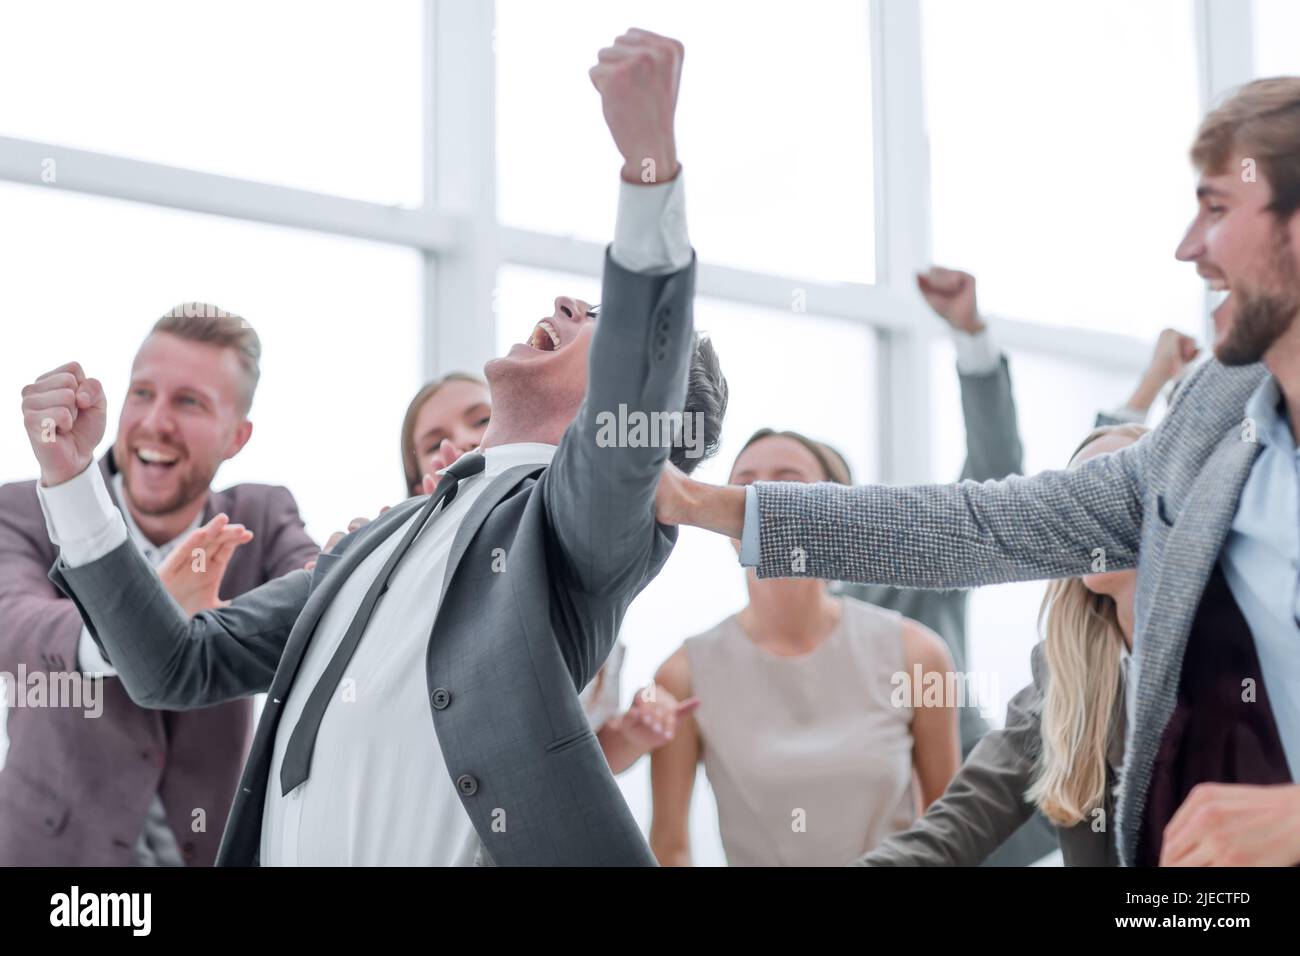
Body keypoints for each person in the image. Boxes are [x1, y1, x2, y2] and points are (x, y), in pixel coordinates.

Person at [28, 28, 729, 867]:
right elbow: (175, 665)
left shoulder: (579, 529)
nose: (568, 303)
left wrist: (648, 167)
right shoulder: (374, 543)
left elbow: (636, 398)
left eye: (601, 319)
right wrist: (72, 480)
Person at [654, 77, 1300, 866]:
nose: (1187, 247)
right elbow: (987, 521)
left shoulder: (905, 643)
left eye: (1219, 209)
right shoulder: (1209, 423)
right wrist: (697, 502)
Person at [0, 306, 318, 866]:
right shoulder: (25, 509)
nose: (156, 422)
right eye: (142, 393)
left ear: (236, 436)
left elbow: (324, 601)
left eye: (189, 402)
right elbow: (15, 633)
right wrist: (148, 613)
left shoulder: (261, 518)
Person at [650, 428, 960, 866]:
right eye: (744, 483)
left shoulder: (919, 657)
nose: (760, 497)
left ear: (836, 509)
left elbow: (949, 834)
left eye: (788, 482)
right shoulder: (682, 674)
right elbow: (670, 846)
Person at [857, 424, 1147, 867]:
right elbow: (954, 826)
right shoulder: (1065, 676)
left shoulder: (1240, 647)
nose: (1088, 512)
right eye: (1075, 500)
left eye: (1106, 483)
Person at [398, 375, 696, 774]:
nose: (463, 441)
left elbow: (583, 762)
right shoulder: (402, 592)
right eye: (435, 444)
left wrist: (632, 734)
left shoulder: (587, 584)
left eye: (482, 419)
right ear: (420, 483)